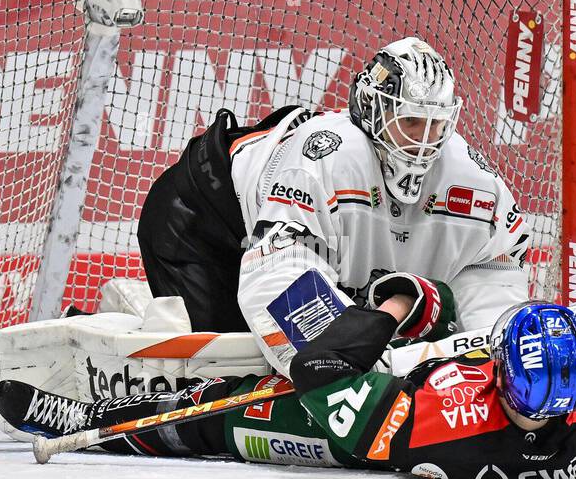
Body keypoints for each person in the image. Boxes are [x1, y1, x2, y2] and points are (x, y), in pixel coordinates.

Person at [0, 294, 576, 479]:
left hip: (357, 439)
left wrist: (398, 308)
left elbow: (322, 375)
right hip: (400, 404)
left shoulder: (440, 423)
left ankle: (101, 420)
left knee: (229, 418)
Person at [136, 37, 532, 374]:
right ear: (374, 110)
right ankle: (138, 308)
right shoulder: (327, 157)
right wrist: (339, 358)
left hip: (276, 230)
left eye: (437, 125)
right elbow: (278, 274)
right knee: (223, 365)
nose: (425, 141)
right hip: (204, 217)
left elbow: (489, 272)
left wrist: (494, 364)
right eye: (411, 122)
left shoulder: (475, 181)